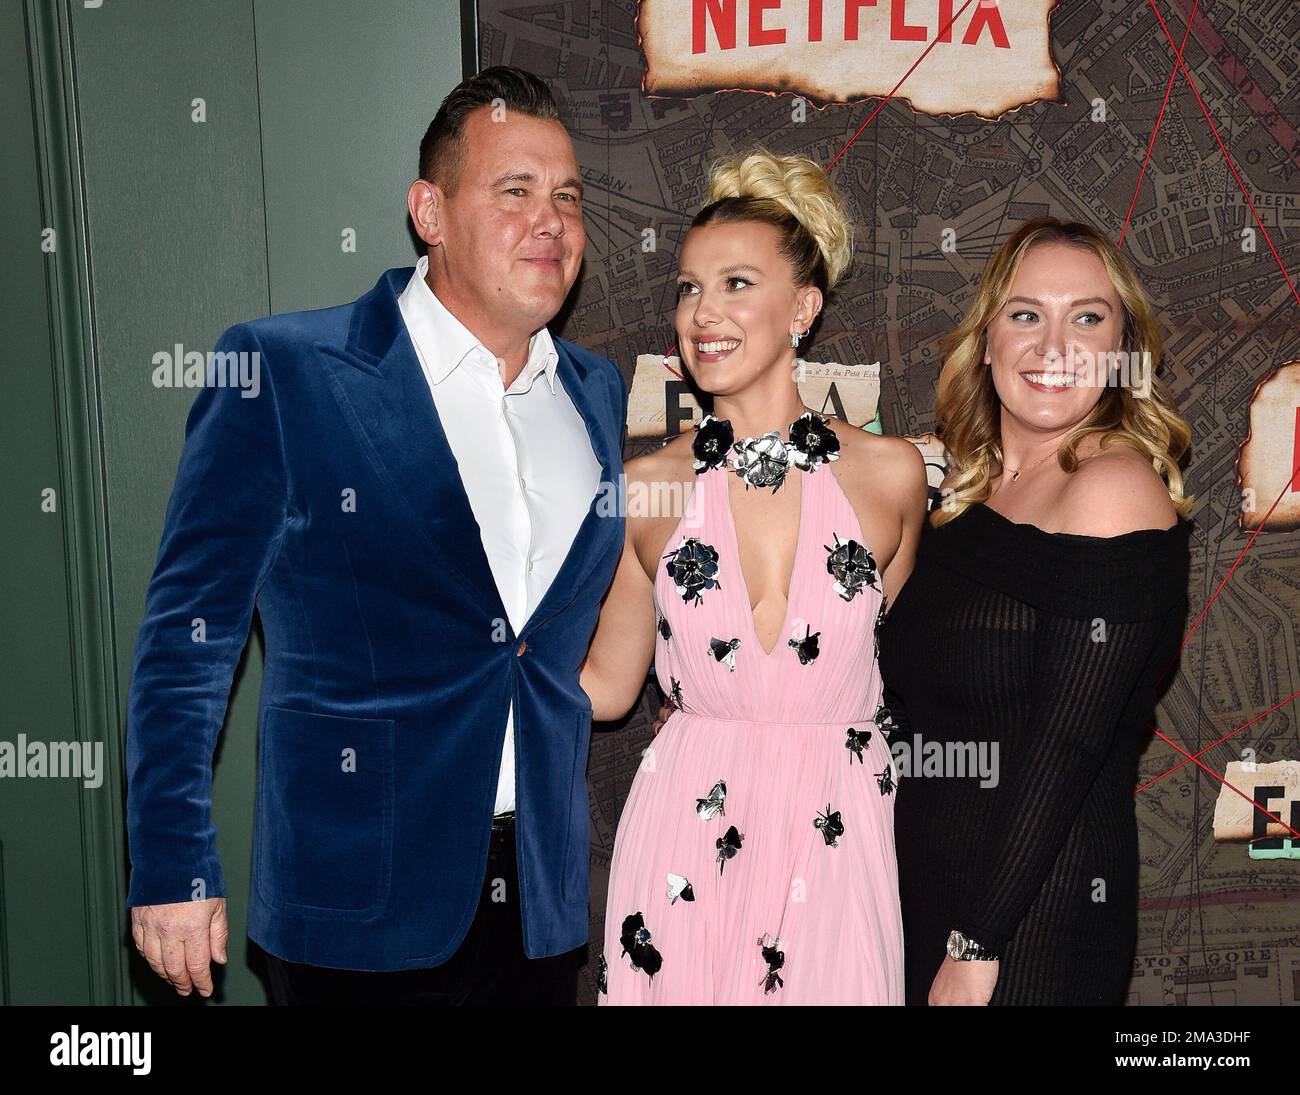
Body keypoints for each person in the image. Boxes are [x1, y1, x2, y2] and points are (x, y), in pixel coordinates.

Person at [125, 66, 627, 1005]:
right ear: (429, 213)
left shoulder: (592, 394)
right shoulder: (283, 370)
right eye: (513, 190)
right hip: (355, 900)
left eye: (567, 196)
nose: (550, 220)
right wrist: (171, 860)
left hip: (538, 905)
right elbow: (186, 640)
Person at [578, 149, 927, 1004]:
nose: (703, 313)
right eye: (690, 287)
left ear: (802, 307)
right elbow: (607, 689)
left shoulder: (891, 476)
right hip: (686, 837)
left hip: (836, 835)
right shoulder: (647, 486)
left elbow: (892, 664)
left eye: (737, 283)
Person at [878, 217, 1194, 1005]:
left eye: (1087, 317)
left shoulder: (1115, 490)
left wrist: (977, 942)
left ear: (1124, 353)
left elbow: (1066, 742)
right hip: (928, 898)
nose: (1053, 344)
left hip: (1032, 923)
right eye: (1026, 315)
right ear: (986, 343)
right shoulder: (969, 501)